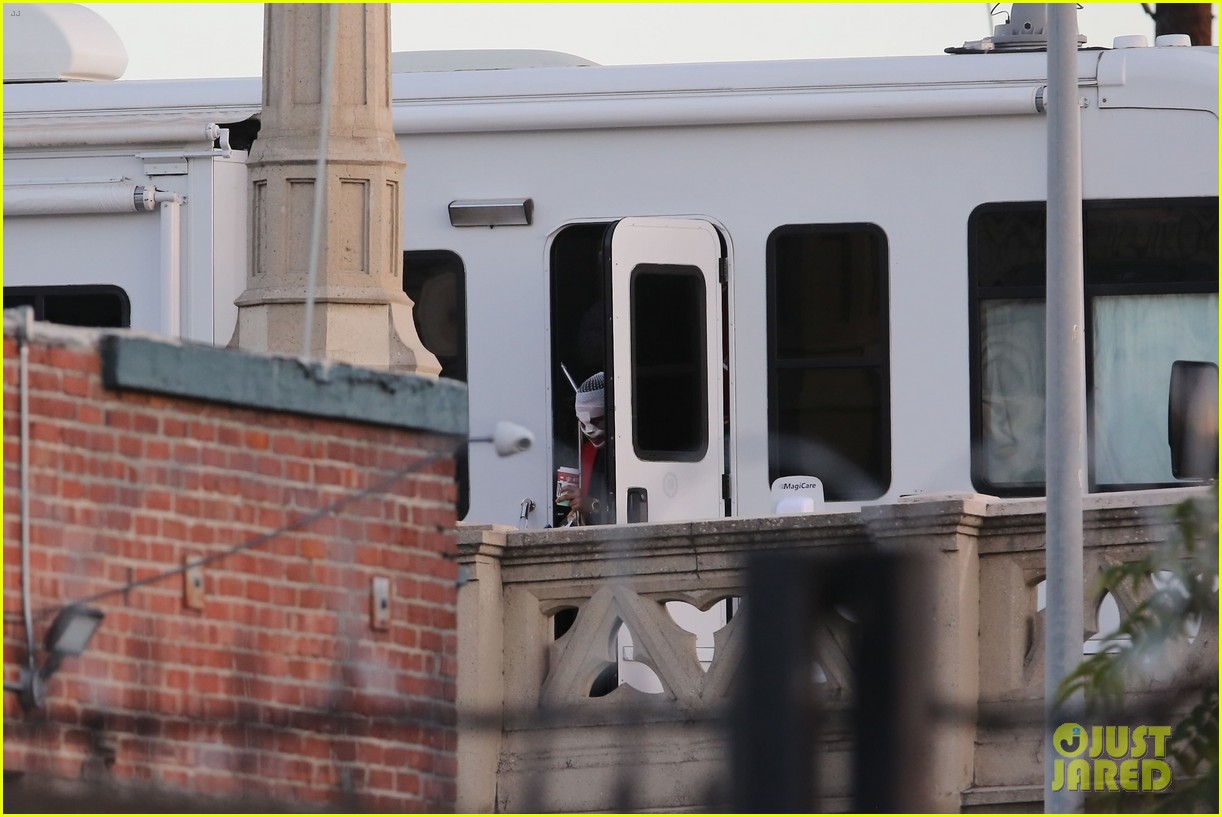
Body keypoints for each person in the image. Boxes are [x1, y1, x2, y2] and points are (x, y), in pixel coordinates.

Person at [558, 372, 611, 525]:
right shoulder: (585, 453)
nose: (589, 430)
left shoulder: (627, 452)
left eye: (597, 421)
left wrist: (593, 505)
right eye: (583, 424)